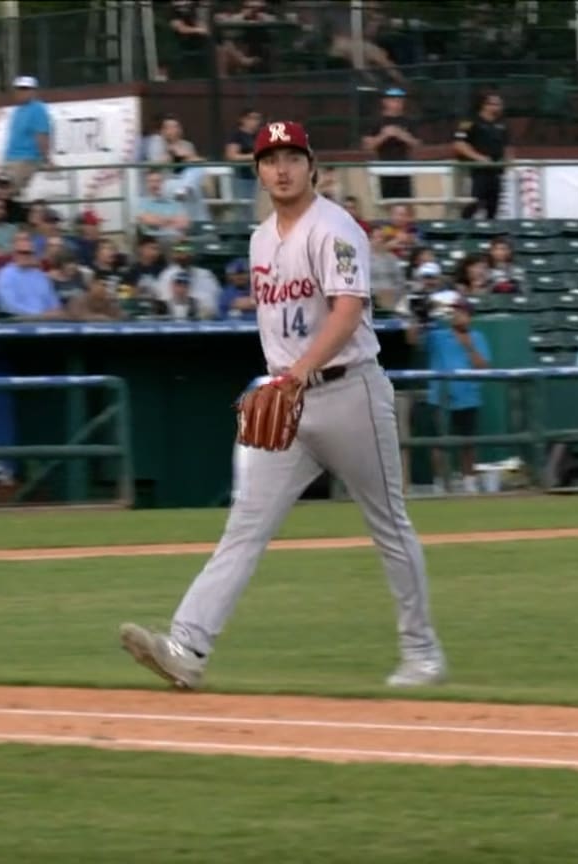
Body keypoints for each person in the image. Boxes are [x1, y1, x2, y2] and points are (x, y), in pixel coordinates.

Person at [119, 120, 445, 690]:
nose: (283, 168)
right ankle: (187, 646)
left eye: (293, 156)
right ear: (258, 172)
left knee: (388, 524)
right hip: (287, 401)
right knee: (244, 527)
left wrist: (296, 373)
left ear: (311, 165)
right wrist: (281, 380)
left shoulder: (335, 228)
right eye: (271, 159)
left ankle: (423, 654)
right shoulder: (260, 238)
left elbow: (346, 312)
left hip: (350, 391)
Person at [407, 296, 491, 494]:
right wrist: (419, 319)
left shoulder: (477, 337)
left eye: (461, 312)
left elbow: (484, 367)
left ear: (470, 316)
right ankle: (440, 483)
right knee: (438, 443)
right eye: (455, 311)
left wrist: (468, 345)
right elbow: (412, 339)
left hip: (467, 397)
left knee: (467, 443)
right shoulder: (438, 335)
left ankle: (469, 482)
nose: (457, 315)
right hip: (440, 397)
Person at [452, 92, 510, 220]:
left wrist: (507, 161)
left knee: (493, 207)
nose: (498, 107)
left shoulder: (501, 124)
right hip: (476, 171)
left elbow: (506, 146)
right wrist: (479, 158)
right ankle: (463, 230)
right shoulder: (470, 121)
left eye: (499, 104)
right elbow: (459, 144)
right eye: (494, 104)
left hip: (495, 171)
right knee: (473, 204)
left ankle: (490, 233)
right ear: (484, 105)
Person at [363, 87, 420, 204]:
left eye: (400, 99)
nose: (398, 102)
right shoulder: (376, 121)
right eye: (393, 99)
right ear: (385, 101)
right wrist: (384, 135)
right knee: (386, 202)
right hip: (384, 167)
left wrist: (402, 135)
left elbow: (417, 144)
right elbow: (367, 145)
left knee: (405, 202)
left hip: (404, 168)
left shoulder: (408, 121)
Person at [2, 76, 52, 196]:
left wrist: (46, 158)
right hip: (11, 158)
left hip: (25, 159)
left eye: (25, 89)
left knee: (8, 193)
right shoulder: (18, 110)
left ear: (33, 91)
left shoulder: (38, 109)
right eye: (19, 89)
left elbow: (41, 135)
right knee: (4, 193)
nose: (21, 92)